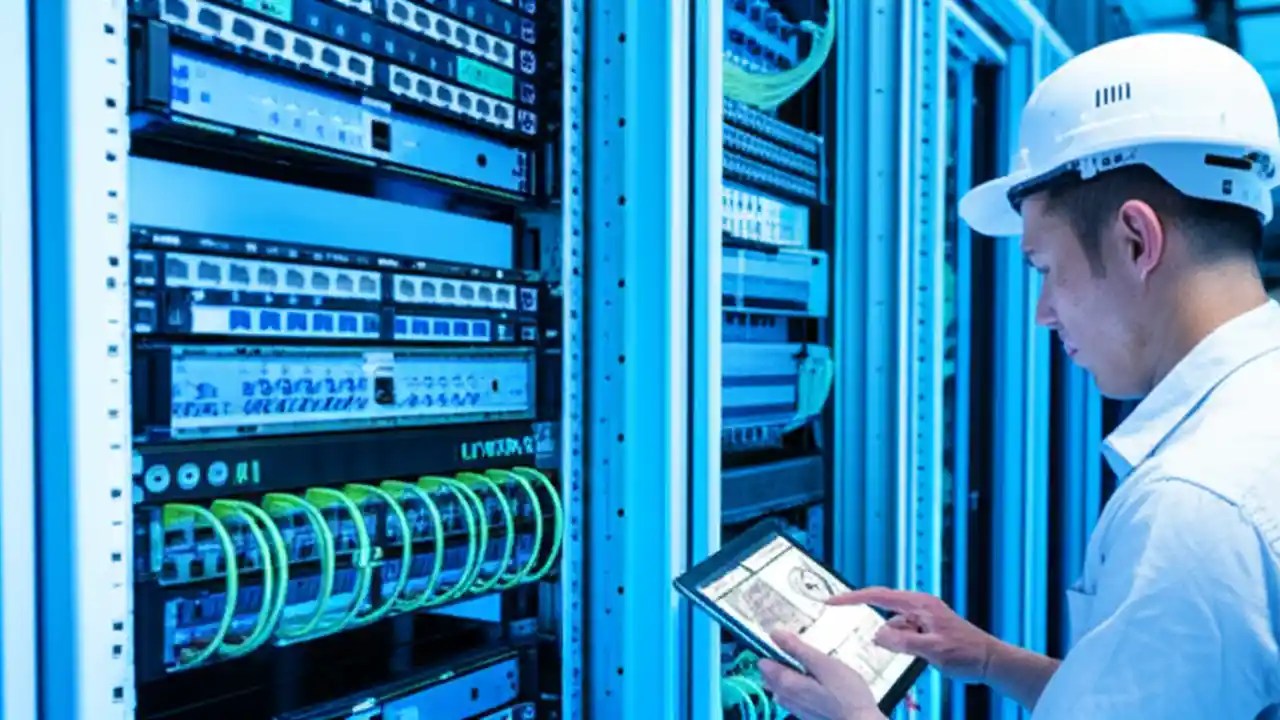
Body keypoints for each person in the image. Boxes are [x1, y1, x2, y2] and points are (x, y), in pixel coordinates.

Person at [758, 31, 1280, 720]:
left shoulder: (1194, 506)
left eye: (1046, 268)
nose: (1042, 313)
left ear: (1137, 240)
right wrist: (988, 659)